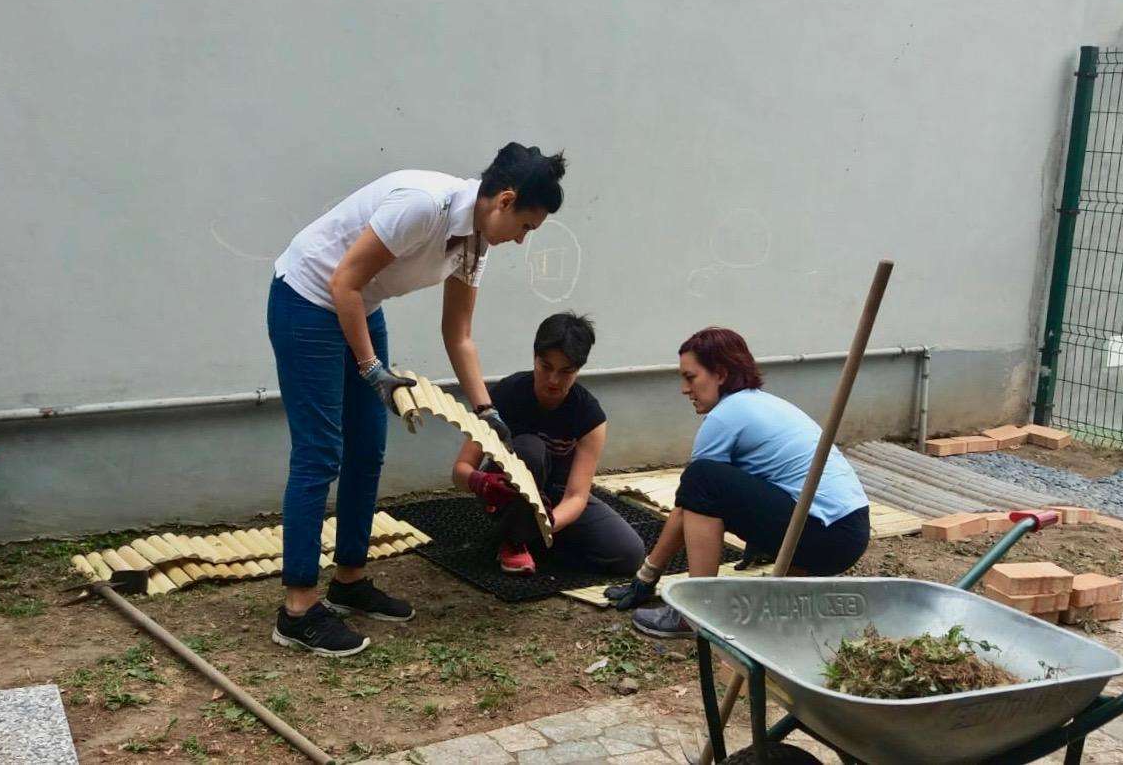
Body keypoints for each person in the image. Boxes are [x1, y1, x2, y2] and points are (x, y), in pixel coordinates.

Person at [267, 143, 566, 656]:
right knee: (320, 453)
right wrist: (371, 369)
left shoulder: (475, 242)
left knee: (368, 449)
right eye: (526, 227)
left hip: (362, 306)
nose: (520, 240)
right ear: (505, 200)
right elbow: (343, 282)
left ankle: (349, 580)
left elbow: (459, 333)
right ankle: (297, 608)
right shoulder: (423, 206)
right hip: (308, 300)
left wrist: (486, 410)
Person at [608, 327, 871, 638]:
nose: (683, 388)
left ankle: (696, 611)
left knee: (701, 477)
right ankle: (793, 595)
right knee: (708, 482)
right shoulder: (760, 403)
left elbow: (690, 503)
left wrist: (646, 576)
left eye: (690, 378)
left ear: (720, 374)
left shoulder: (724, 417)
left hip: (825, 532)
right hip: (850, 532)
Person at [452, 313, 645, 576]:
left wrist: (547, 524)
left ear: (579, 369)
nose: (553, 380)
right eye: (545, 367)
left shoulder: (590, 416)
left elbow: (576, 496)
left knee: (628, 555)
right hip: (507, 494)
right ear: (534, 357)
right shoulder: (505, 395)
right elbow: (461, 470)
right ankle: (513, 538)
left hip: (553, 500)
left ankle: (531, 541)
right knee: (530, 448)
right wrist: (482, 482)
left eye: (566, 372)